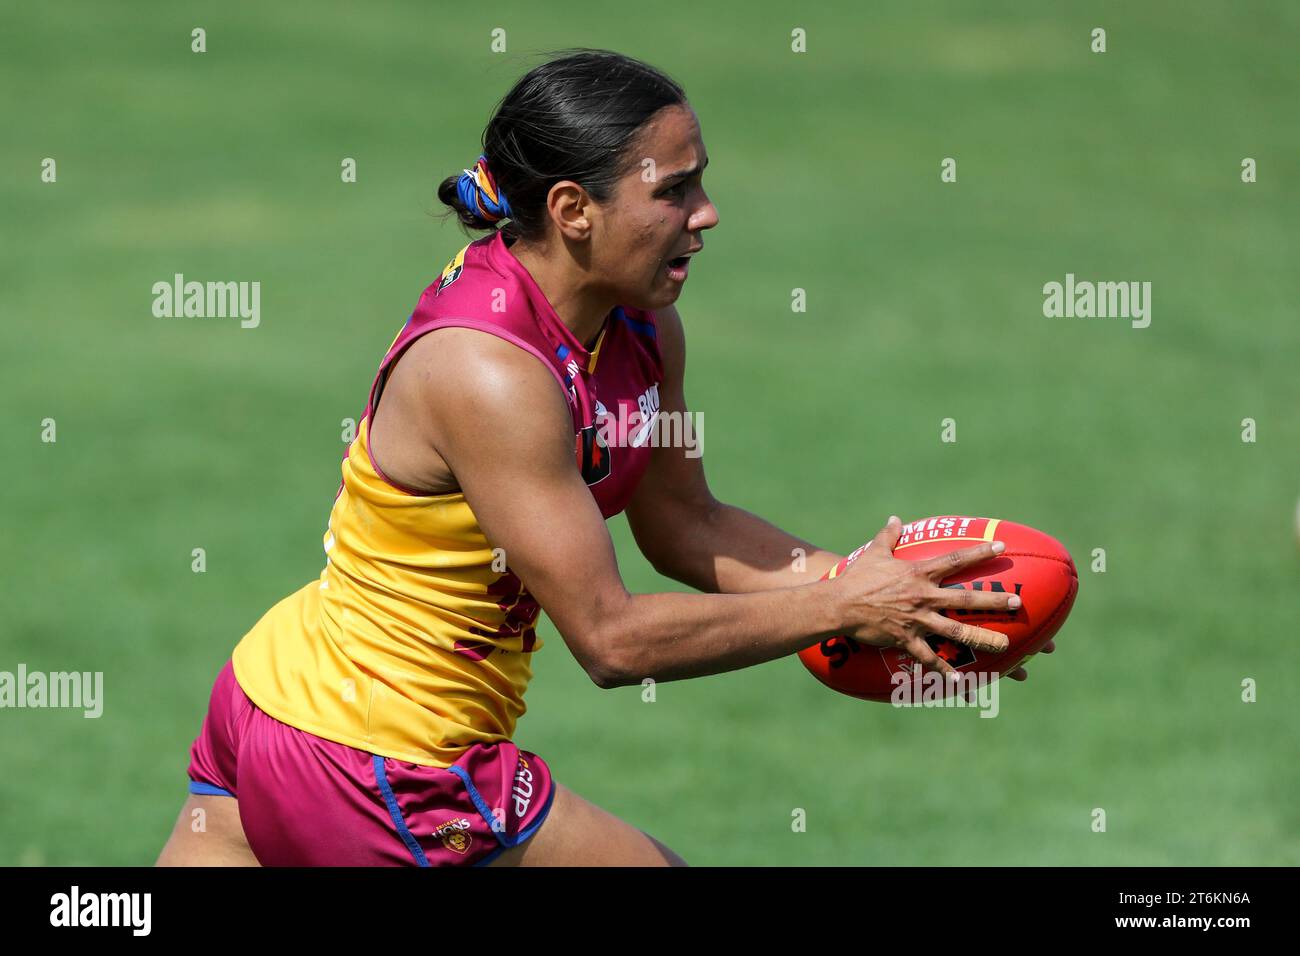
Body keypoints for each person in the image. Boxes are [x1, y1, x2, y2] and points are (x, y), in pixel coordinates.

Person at [156, 48, 1043, 868]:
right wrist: (839, 606)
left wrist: (895, 595)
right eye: (675, 191)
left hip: (278, 699)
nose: (707, 214)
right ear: (574, 209)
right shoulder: (489, 373)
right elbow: (612, 641)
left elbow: (686, 523)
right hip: (385, 760)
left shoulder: (642, 327)